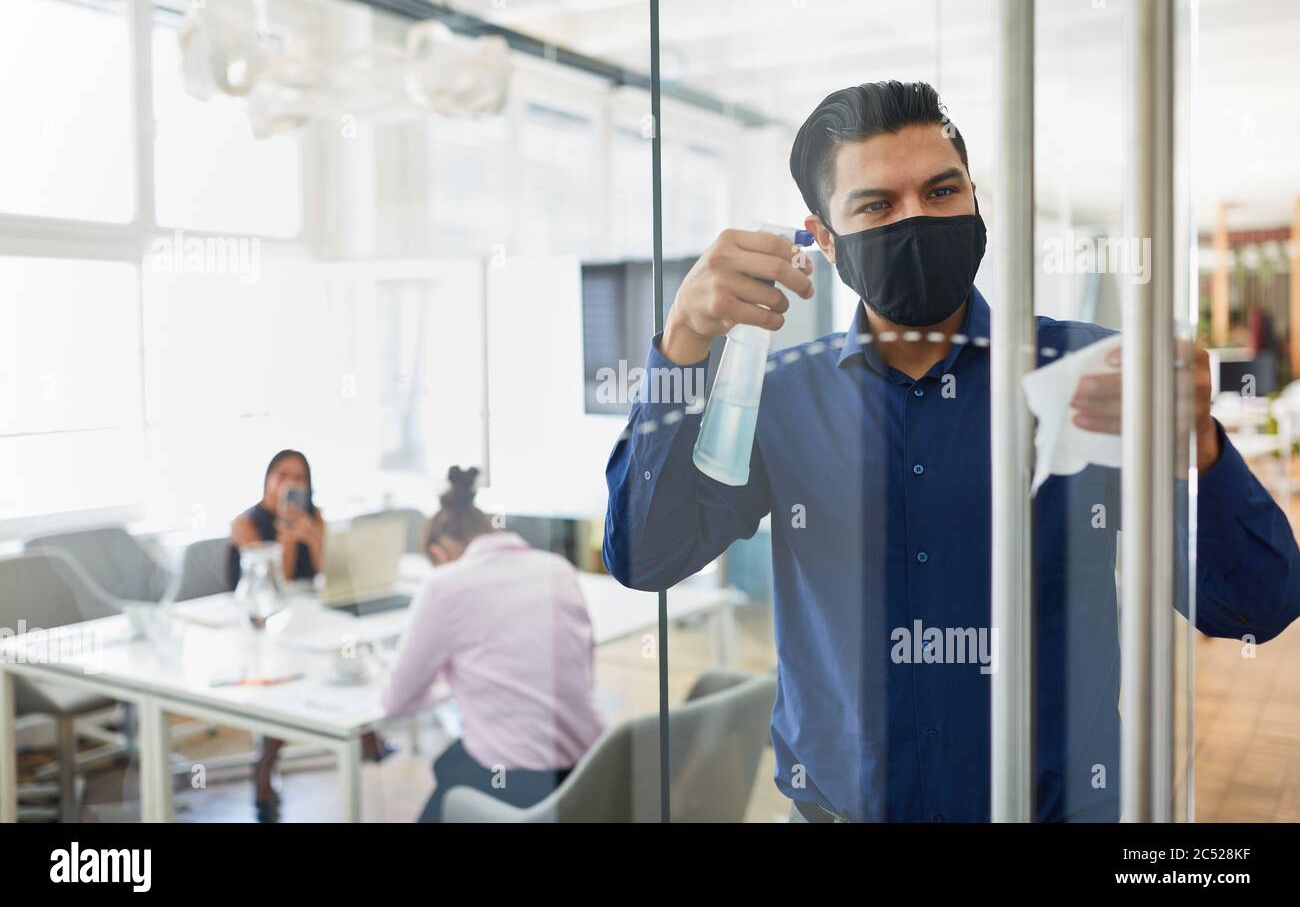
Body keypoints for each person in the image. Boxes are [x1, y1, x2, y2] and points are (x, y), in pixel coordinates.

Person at [603, 80, 1300, 823]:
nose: (917, 220)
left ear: (974, 202)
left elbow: (1252, 607)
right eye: (876, 205)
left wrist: (1199, 449)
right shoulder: (781, 400)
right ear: (826, 237)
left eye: (942, 191)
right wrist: (681, 344)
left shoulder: (1089, 378)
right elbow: (648, 557)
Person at [381, 466, 604, 822]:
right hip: (590, 768)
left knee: (450, 774)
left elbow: (394, 702)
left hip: (519, 781)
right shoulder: (557, 568)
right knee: (451, 761)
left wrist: (446, 688)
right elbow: (581, 671)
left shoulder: (443, 587)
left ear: (439, 554)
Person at [227, 449, 391, 822]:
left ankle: (364, 731)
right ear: (267, 478)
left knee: (346, 641)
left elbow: (328, 575)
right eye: (282, 474)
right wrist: (285, 537)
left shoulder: (313, 517)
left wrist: (312, 536)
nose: (290, 484)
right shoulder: (245, 523)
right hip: (256, 623)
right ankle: (268, 764)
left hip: (305, 617)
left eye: (299, 478)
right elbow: (273, 585)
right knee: (288, 676)